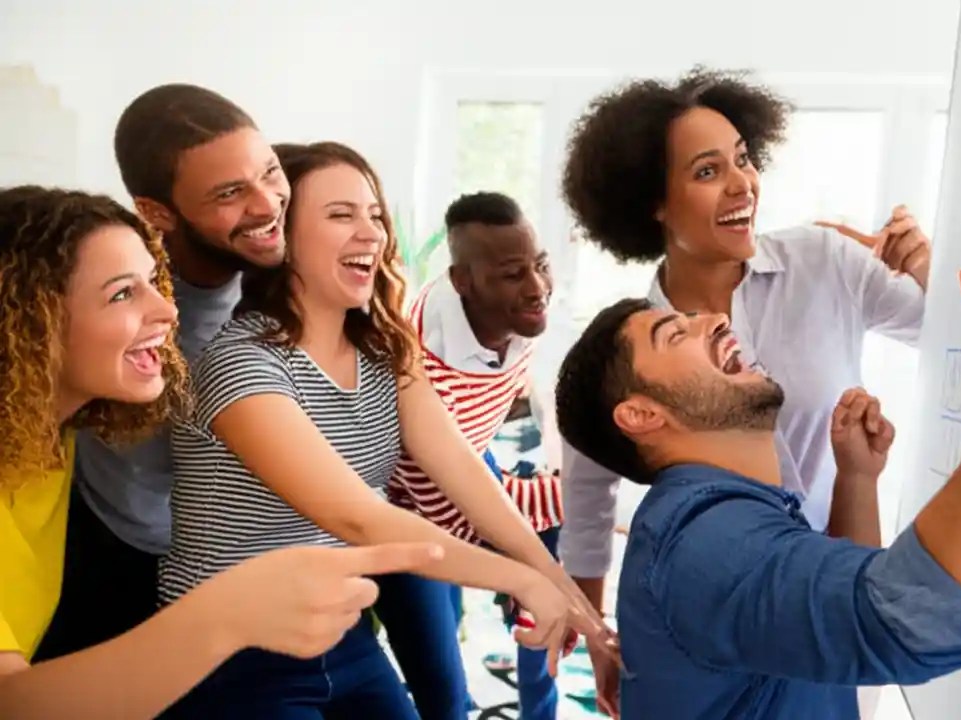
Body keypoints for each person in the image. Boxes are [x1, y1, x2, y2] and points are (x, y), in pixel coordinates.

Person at [553, 204, 961, 719]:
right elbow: (923, 619)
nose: (713, 319)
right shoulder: (706, 542)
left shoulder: (728, 513)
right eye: (676, 336)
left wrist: (856, 482)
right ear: (641, 416)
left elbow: (839, 639)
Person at [160, 141, 608, 717]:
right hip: (230, 650)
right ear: (282, 234)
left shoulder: (386, 348)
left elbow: (463, 472)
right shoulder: (242, 364)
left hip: (339, 634)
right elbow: (359, 518)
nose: (371, 233)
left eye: (374, 214)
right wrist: (522, 582)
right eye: (341, 214)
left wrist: (572, 601)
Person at [557, 66, 930, 712]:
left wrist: (926, 265)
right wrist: (595, 634)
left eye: (744, 159)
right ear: (653, 201)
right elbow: (588, 510)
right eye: (707, 172)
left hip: (839, 581)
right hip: (724, 622)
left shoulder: (826, 262)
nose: (743, 185)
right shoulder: (628, 353)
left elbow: (955, 331)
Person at [0, 185, 445, 719]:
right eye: (122, 294)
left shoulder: (48, 436)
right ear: (30, 320)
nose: (166, 309)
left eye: (152, 281)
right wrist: (225, 615)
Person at [35, 83, 292, 660]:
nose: (267, 203)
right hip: (116, 549)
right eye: (230, 192)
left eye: (270, 172)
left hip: (218, 563)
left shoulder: (279, 273)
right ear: (156, 212)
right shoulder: (121, 303)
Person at [378, 191, 564, 720]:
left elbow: (539, 386)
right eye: (512, 274)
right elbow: (451, 515)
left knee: (546, 589)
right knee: (442, 688)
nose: (537, 287)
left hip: (471, 457)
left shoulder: (518, 311)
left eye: (541, 265)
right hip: (410, 514)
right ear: (464, 281)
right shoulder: (422, 368)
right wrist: (586, 497)